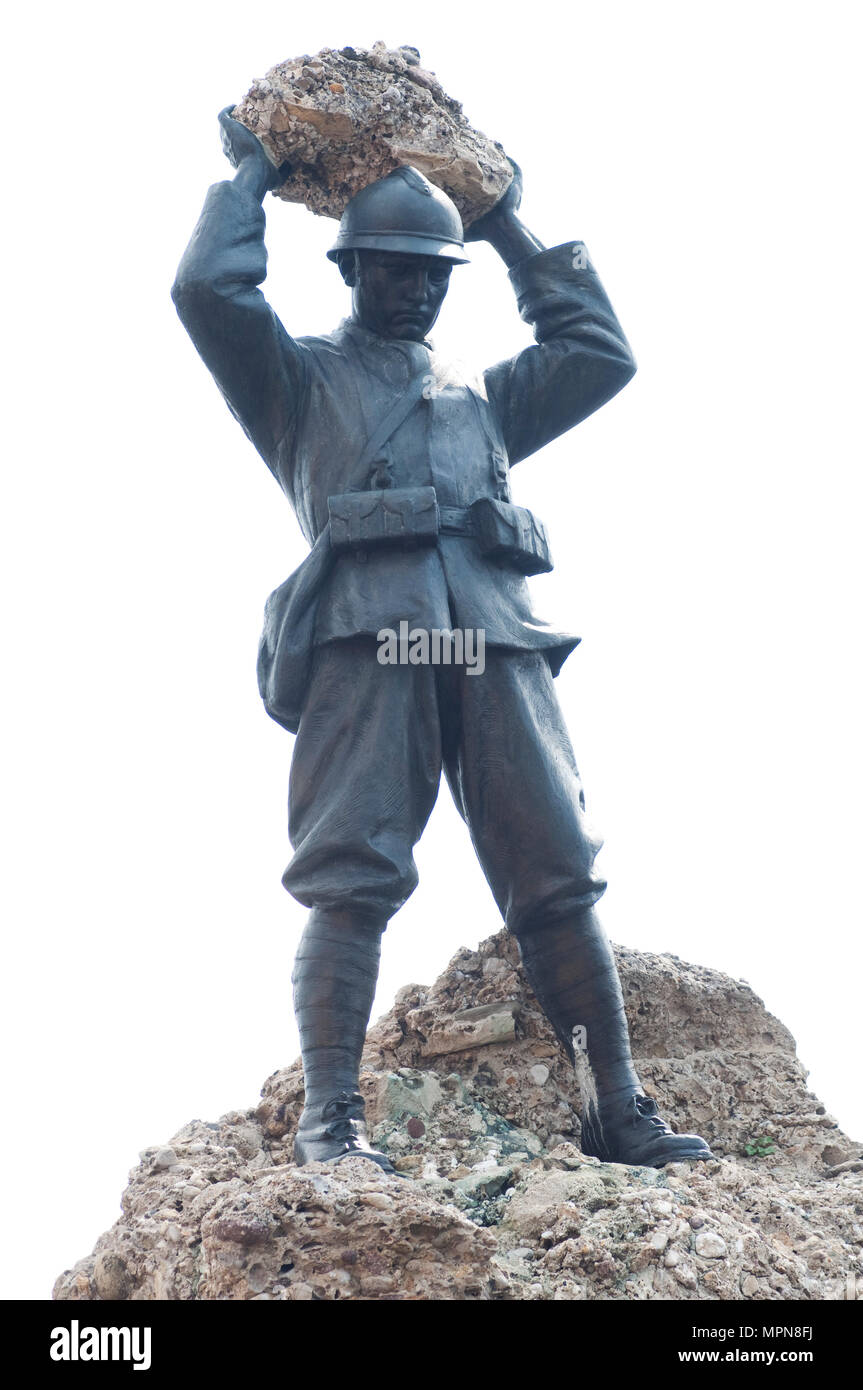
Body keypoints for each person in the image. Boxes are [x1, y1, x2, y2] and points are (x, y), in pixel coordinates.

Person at [172, 106, 713, 1172]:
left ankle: (615, 1106)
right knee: (351, 875)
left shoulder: (482, 397)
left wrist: (505, 222)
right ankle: (332, 1120)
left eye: (435, 272)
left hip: (492, 650)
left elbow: (596, 352)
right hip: (371, 644)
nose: (417, 288)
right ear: (351, 269)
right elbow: (206, 292)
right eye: (394, 269)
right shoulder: (297, 383)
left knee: (556, 876)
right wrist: (251, 177)